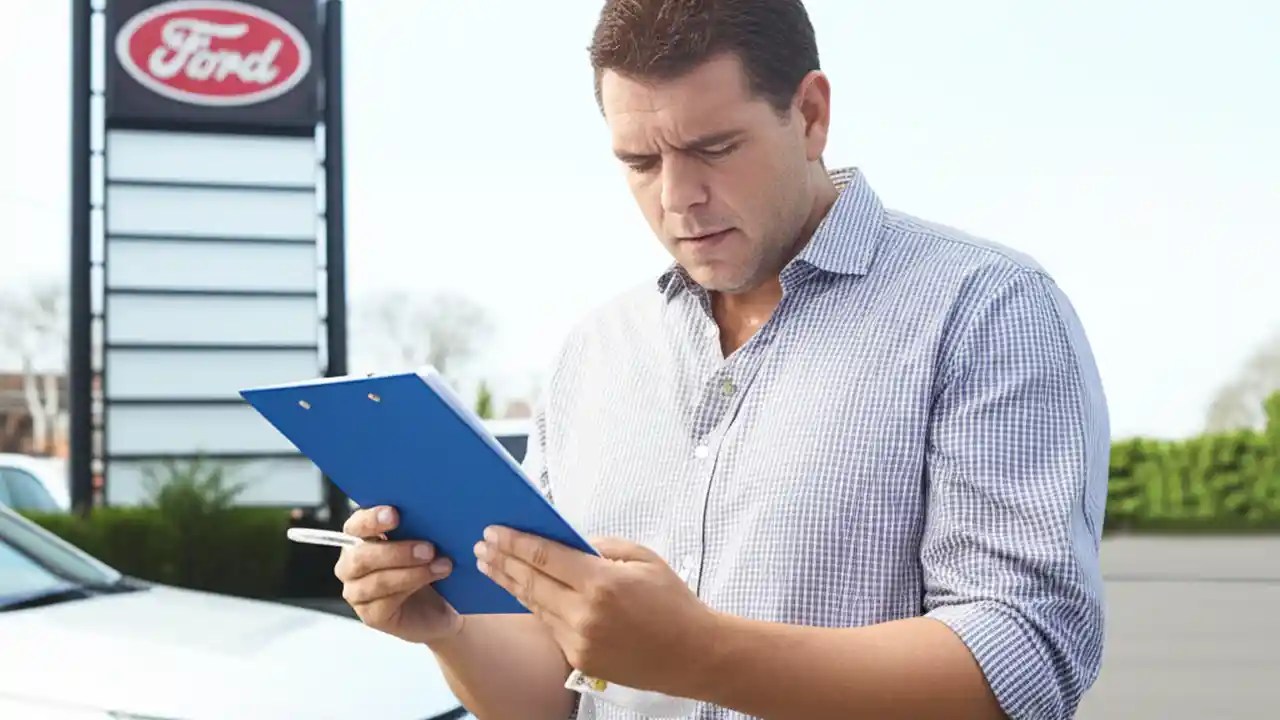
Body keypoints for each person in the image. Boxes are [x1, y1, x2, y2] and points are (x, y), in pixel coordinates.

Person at [333, 0, 1110, 718]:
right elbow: (563, 698)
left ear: (810, 115)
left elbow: (1027, 656)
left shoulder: (985, 310)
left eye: (713, 148)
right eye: (639, 162)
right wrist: (448, 630)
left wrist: (699, 654)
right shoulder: (595, 353)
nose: (677, 197)